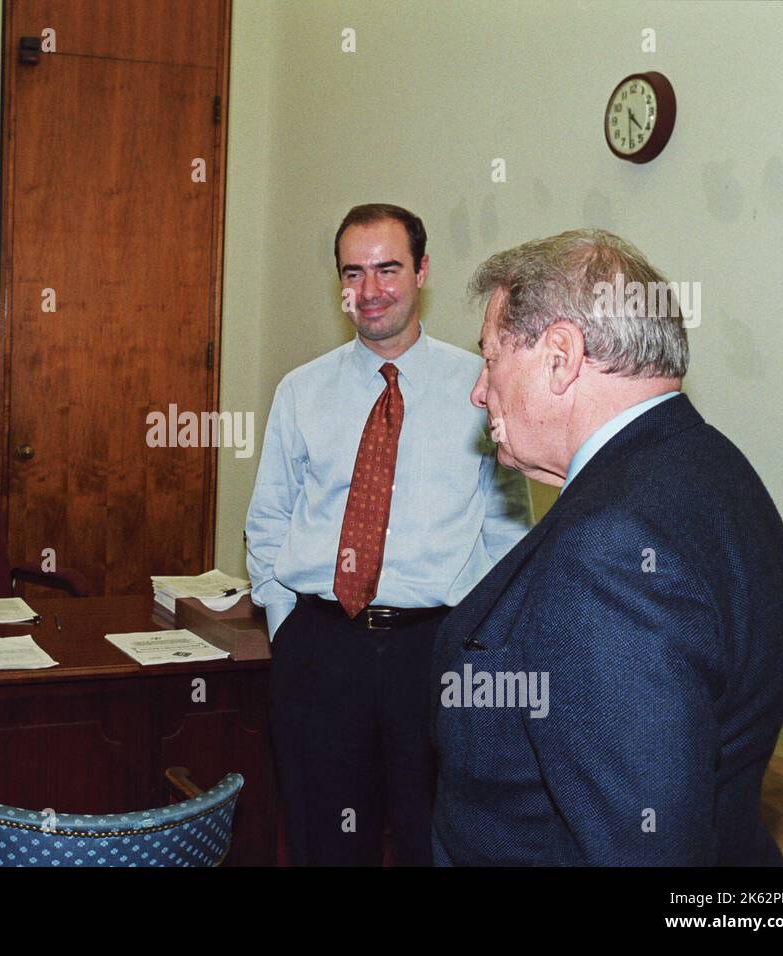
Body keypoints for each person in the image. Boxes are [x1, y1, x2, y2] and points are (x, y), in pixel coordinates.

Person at [432, 229, 783, 865]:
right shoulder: (718, 469)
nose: (479, 389)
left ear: (560, 355)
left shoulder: (607, 552)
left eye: (490, 357)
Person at [246, 203, 532, 866]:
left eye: (388, 269)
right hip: (320, 649)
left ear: (423, 271)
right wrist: (286, 622)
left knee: (432, 841)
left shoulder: (480, 384)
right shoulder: (300, 390)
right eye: (354, 273)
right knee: (326, 842)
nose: (370, 291)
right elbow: (268, 517)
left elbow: (508, 524)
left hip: (432, 653)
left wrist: (476, 641)